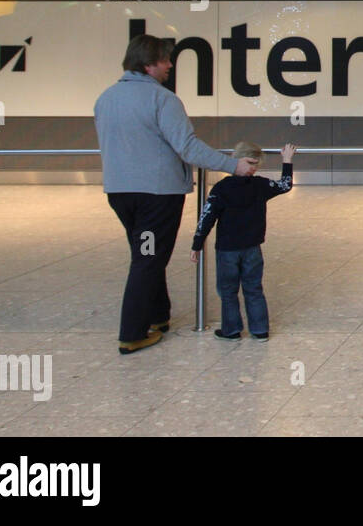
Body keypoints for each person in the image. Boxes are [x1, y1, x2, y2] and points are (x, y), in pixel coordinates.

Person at [94, 35, 259, 355]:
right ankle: (132, 333)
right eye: (165, 60)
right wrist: (232, 166)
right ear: (148, 63)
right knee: (147, 260)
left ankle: (158, 315)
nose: (170, 65)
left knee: (146, 254)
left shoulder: (106, 98)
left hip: (119, 192)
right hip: (156, 195)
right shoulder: (162, 100)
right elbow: (188, 147)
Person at [190, 142, 296, 341]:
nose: (252, 168)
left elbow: (207, 217)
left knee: (228, 290)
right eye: (252, 163)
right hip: (252, 247)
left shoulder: (221, 189)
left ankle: (231, 330)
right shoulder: (260, 186)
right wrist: (287, 160)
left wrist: (197, 243)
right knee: (253, 288)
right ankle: (259, 329)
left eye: (255, 164)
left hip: (227, 249)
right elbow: (285, 184)